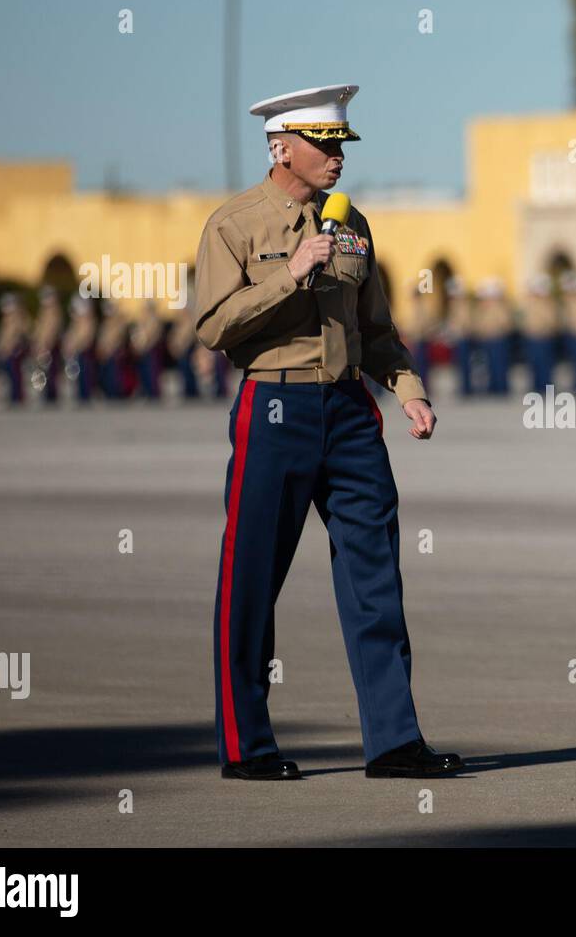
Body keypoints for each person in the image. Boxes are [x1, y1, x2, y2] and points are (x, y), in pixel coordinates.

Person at [194, 83, 461, 780]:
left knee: (376, 578)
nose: (338, 158)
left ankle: (394, 741)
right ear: (282, 148)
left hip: (348, 414)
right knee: (252, 579)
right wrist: (293, 274)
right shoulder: (234, 224)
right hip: (274, 411)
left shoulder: (354, 226)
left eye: (343, 144)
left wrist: (408, 390)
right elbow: (213, 327)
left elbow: (375, 332)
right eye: (325, 144)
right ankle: (246, 746)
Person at [0, 292, 30, 405]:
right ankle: (14, 395)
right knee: (11, 374)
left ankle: (17, 396)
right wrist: (0, 347)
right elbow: (3, 336)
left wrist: (8, 347)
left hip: (14, 350)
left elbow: (19, 334)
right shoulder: (7, 319)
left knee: (15, 373)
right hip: (8, 350)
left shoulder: (19, 318)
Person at [30, 286, 64, 404]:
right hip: (44, 346)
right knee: (45, 371)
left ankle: (52, 395)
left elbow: (51, 331)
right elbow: (39, 330)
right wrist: (36, 343)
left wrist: (44, 345)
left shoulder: (54, 312)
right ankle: (48, 394)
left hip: (50, 346)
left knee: (52, 371)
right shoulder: (43, 312)